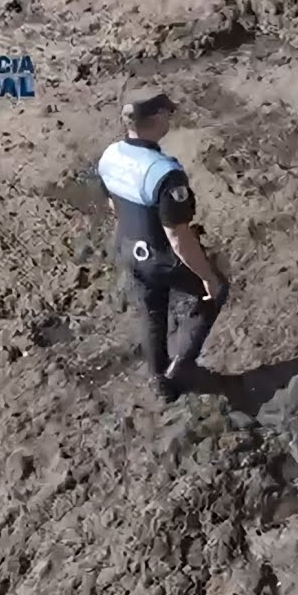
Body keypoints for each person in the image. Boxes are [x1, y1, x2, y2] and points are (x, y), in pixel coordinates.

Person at [98, 88, 229, 402]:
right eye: (168, 112)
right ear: (156, 118)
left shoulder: (110, 155)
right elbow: (178, 239)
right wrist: (208, 278)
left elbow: (114, 206)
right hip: (161, 257)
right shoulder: (165, 173)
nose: (171, 116)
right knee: (213, 293)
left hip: (127, 249)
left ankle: (159, 382)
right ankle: (180, 367)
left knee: (152, 315)